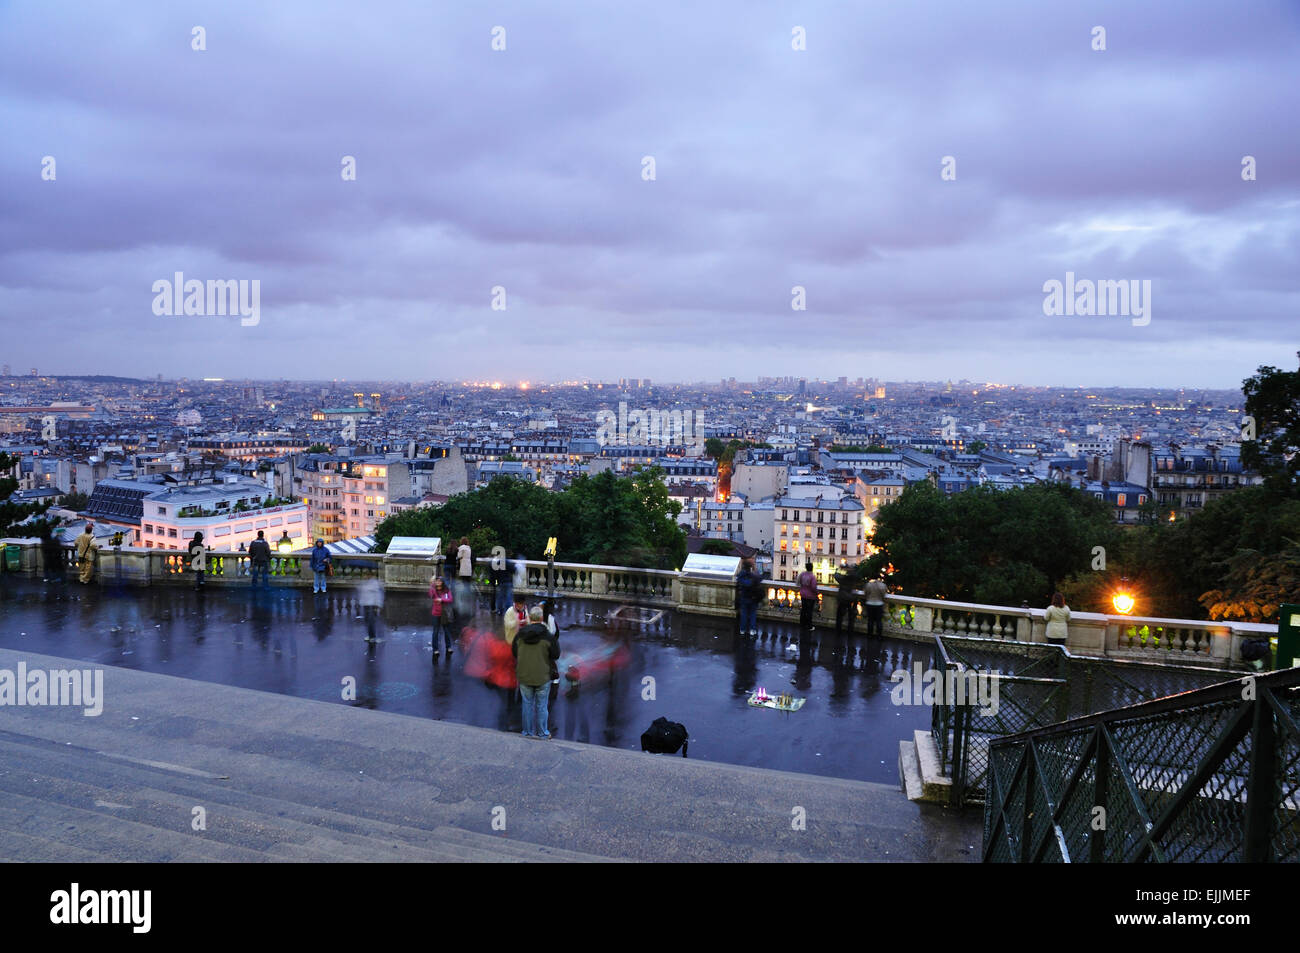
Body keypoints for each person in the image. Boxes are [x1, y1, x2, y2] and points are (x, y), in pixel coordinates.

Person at [513, 606, 559, 739]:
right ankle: (542, 733)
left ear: (530, 618)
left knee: (527, 705)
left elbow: (514, 652)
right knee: (542, 705)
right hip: (542, 676)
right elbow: (556, 654)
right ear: (541, 618)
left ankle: (527, 732)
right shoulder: (548, 636)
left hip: (524, 674)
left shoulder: (520, 635)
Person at [735, 556, 764, 637]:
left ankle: (742, 630)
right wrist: (755, 569)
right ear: (751, 566)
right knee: (752, 614)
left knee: (744, 614)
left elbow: (739, 579)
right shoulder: (755, 575)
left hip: (744, 596)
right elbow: (760, 578)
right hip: (754, 597)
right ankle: (752, 630)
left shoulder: (742, 574)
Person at [428, 575, 454, 660]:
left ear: (442, 582)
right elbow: (431, 595)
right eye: (437, 581)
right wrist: (431, 585)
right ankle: (435, 649)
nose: (438, 582)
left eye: (439, 581)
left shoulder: (446, 590)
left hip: (445, 614)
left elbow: (450, 599)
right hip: (436, 613)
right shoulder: (434, 590)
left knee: (446, 631)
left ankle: (448, 647)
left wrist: (442, 600)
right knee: (435, 631)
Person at [834, 562, 859, 635]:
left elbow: (836, 575)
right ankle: (850, 631)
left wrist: (839, 569)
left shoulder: (843, 578)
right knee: (851, 617)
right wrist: (850, 569)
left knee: (839, 616)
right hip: (851, 598)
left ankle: (838, 630)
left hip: (842, 598)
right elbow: (857, 575)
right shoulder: (853, 578)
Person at [862, 574, 888, 640]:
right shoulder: (882, 585)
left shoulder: (868, 585)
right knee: (879, 621)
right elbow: (884, 595)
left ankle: (869, 635)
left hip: (869, 603)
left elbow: (865, 593)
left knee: (870, 620)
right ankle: (879, 636)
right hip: (879, 604)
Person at [358, 576, 384, 642]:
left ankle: (373, 636)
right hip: (366, 604)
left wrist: (378, 605)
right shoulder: (364, 583)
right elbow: (362, 593)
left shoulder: (375, 583)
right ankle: (370, 636)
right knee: (367, 621)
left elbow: (378, 595)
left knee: (371, 621)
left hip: (373, 605)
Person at [797, 561, 819, 631]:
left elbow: (798, 582)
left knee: (803, 610)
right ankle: (809, 626)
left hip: (803, 594)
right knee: (809, 611)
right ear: (812, 568)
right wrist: (817, 593)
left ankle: (802, 624)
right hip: (810, 596)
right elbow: (813, 587)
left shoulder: (802, 574)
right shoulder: (812, 576)